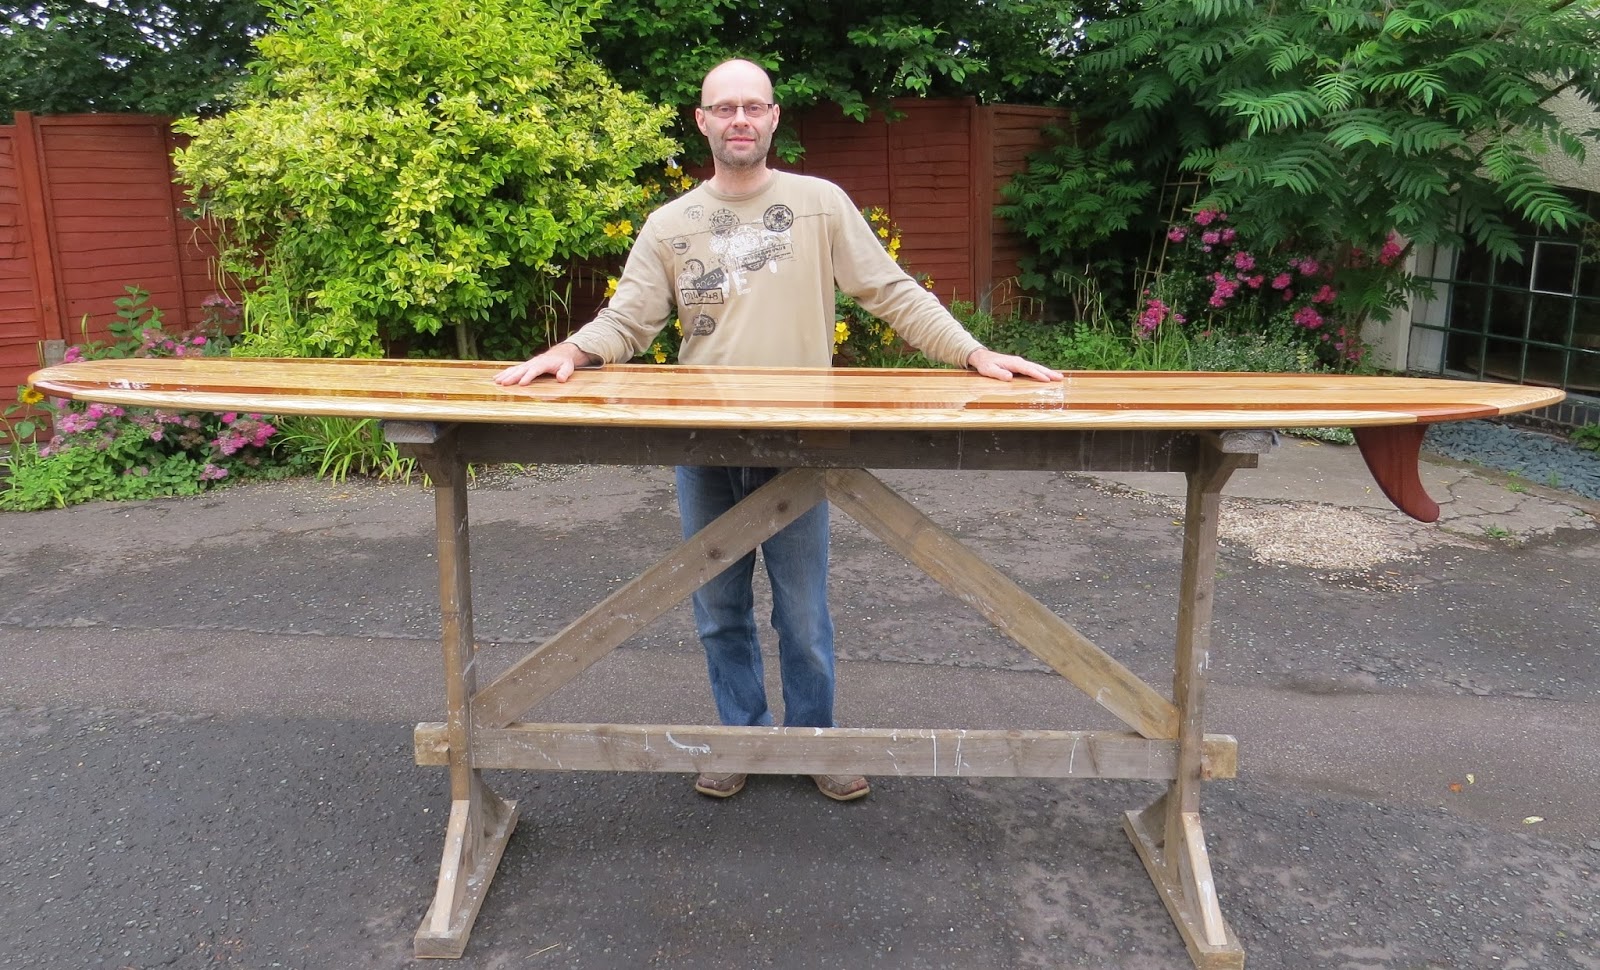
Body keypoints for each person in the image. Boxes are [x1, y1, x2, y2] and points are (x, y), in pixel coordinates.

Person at [494, 59, 1062, 802]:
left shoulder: (820, 204)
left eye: (752, 107)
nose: (738, 120)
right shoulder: (671, 224)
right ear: (701, 121)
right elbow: (628, 319)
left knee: (803, 611)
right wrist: (570, 351)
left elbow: (889, 291)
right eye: (723, 108)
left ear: (773, 118)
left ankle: (814, 741)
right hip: (704, 446)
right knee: (717, 607)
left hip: (801, 444)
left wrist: (974, 352)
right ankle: (744, 736)